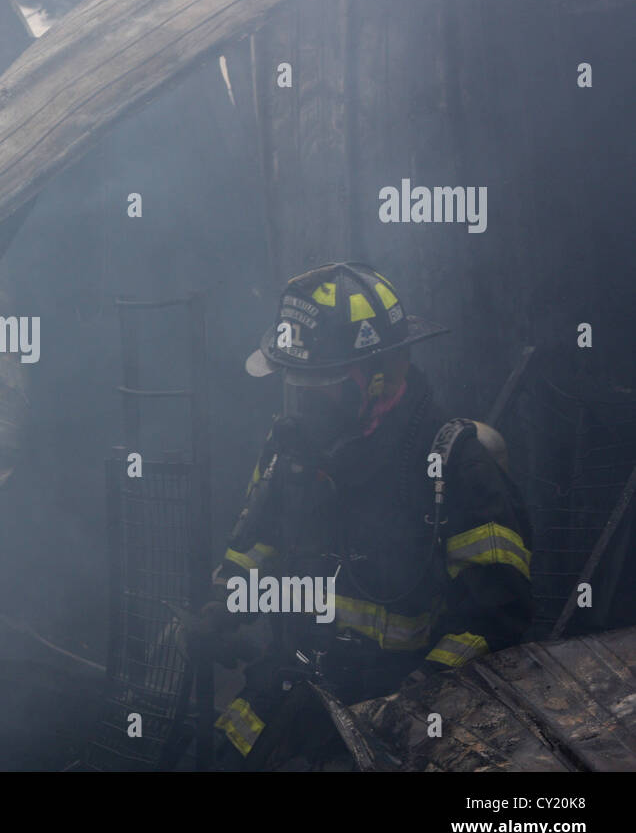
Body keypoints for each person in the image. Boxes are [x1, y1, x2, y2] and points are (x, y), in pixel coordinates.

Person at [197, 262, 533, 769]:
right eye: (296, 380)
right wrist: (223, 604)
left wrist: (424, 693)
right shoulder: (290, 448)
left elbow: (496, 612)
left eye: (321, 381)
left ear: (379, 376)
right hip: (293, 681)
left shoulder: (453, 462)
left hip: (398, 709)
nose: (305, 397)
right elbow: (255, 543)